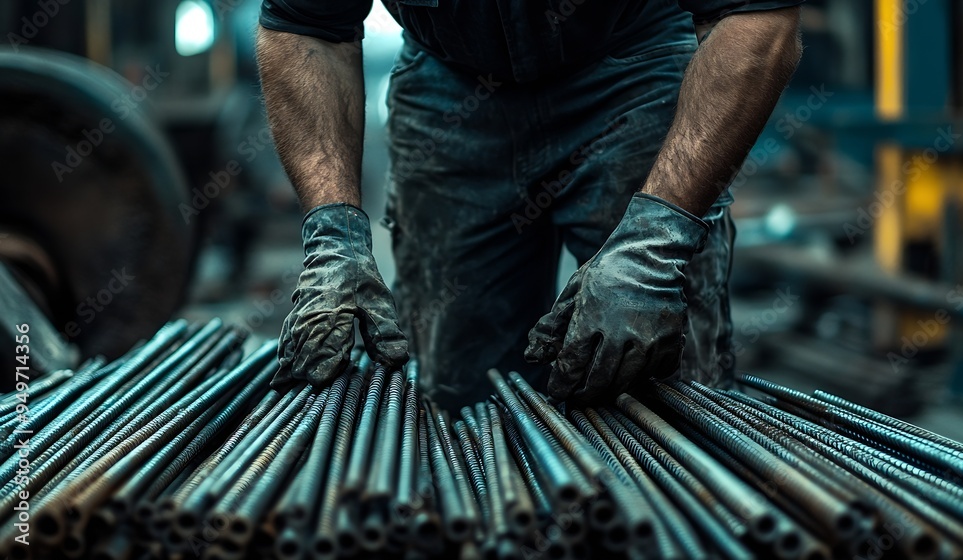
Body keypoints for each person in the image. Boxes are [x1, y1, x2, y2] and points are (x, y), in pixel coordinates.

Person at [257, 0, 802, 412]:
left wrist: (655, 241)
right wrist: (334, 238)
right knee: (458, 395)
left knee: (662, 383)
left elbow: (753, 14)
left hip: (635, 65)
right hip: (450, 81)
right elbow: (306, 27)